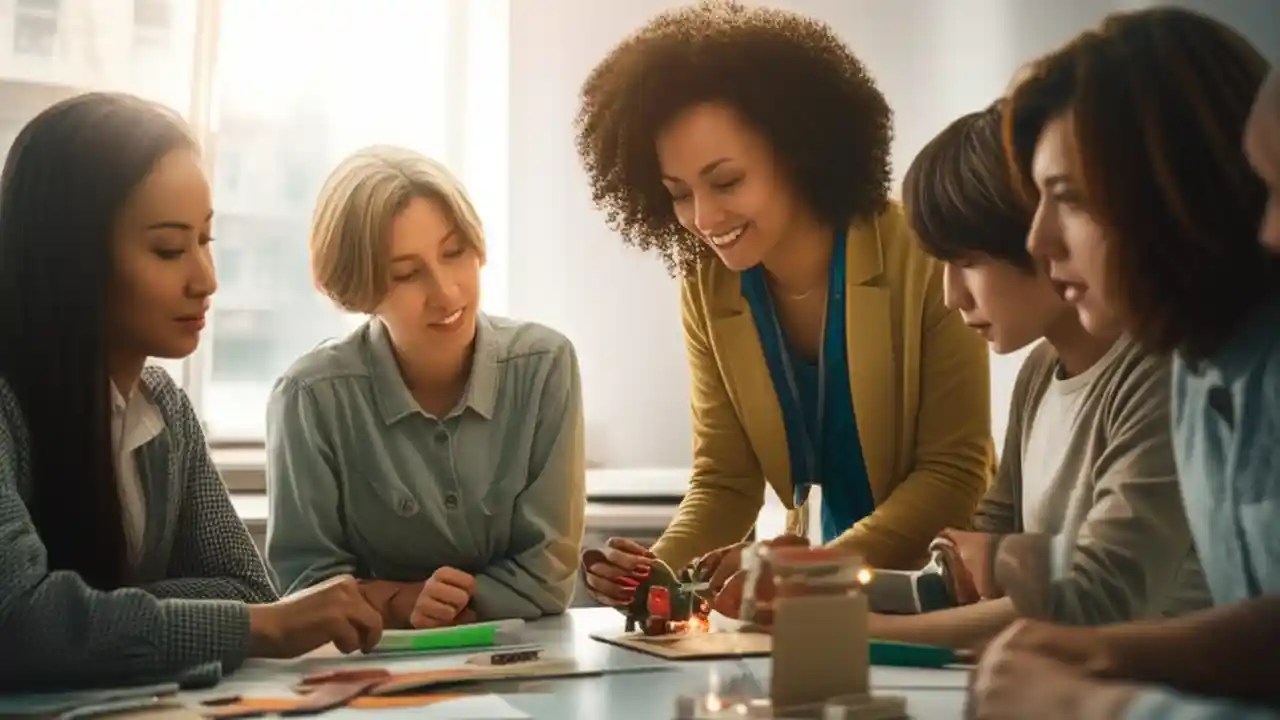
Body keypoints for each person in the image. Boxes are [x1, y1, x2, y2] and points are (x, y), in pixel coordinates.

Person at [574, 0, 993, 609]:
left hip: (950, 587)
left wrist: (806, 570)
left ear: (797, 149)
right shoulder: (708, 282)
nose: (704, 219)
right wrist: (653, 573)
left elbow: (955, 473)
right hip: (827, 597)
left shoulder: (919, 251)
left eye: (727, 182)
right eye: (679, 194)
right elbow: (725, 481)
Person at [0, 93, 383, 692]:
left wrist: (92, 612)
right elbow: (22, 624)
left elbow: (245, 589)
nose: (206, 280)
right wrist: (251, 627)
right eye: (168, 249)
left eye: (205, 240)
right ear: (71, 257)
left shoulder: (163, 407)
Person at [968, 10, 1280, 719]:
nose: (1039, 240)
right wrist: (1110, 655)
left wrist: (1085, 704)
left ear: (1175, 185)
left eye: (1068, 198)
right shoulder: (1198, 374)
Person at [858, 101, 1208, 650]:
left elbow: (1091, 601)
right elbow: (992, 548)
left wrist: (861, 631)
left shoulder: (1159, 373)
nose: (952, 296)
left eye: (968, 260)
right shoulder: (1039, 372)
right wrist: (832, 586)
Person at [266, 146, 586, 628]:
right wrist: (404, 601)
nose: (447, 291)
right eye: (407, 274)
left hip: (527, 661)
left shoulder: (544, 366)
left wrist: (398, 599)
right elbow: (308, 590)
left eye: (454, 253)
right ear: (361, 287)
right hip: (373, 672)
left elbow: (547, 576)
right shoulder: (309, 397)